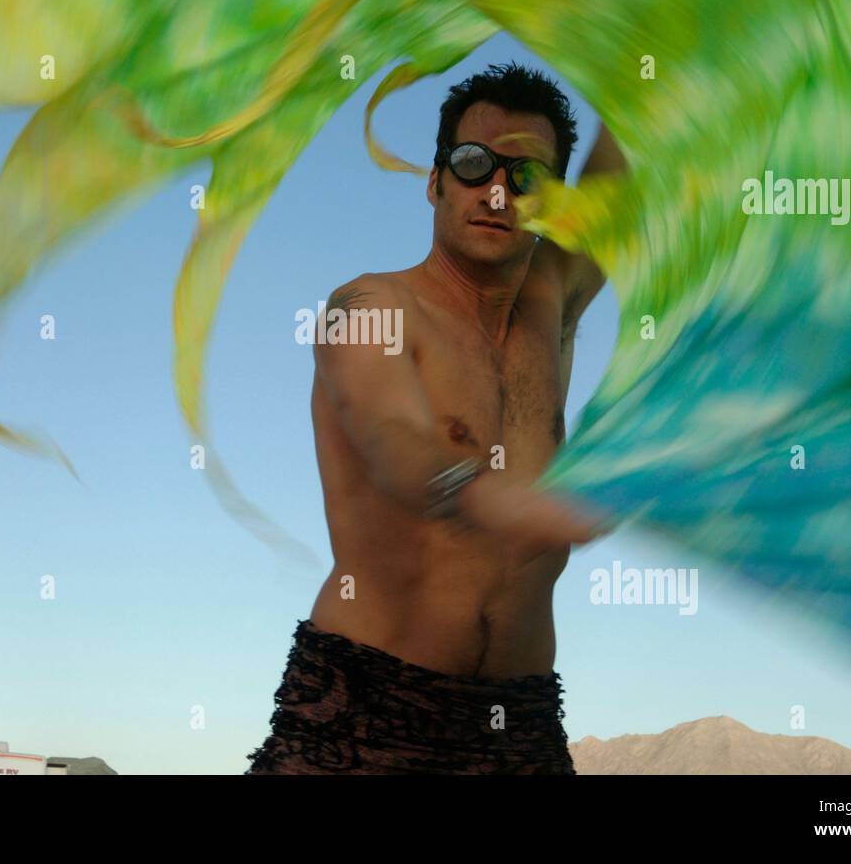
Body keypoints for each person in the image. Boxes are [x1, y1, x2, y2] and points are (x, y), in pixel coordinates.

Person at [246, 61, 626, 774]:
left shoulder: (552, 305)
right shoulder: (367, 307)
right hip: (363, 717)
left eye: (526, 177)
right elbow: (390, 436)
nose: (496, 191)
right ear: (435, 179)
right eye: (474, 163)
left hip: (522, 730)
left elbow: (636, 142)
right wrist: (490, 496)